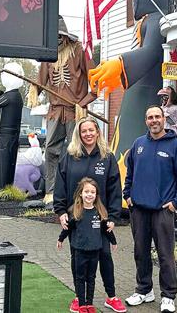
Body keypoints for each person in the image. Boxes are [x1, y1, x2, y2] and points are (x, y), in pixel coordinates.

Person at [124, 105, 177, 313]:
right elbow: (130, 173)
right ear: (146, 121)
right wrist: (127, 195)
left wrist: (175, 203)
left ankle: (168, 296)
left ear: (164, 119)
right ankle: (144, 290)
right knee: (140, 252)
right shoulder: (138, 144)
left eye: (157, 117)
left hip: (163, 210)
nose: (154, 120)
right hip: (139, 210)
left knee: (165, 255)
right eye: (150, 117)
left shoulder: (176, 146)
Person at [54, 117, 125, 313]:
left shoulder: (106, 156)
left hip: (100, 218)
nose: (88, 134)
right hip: (76, 218)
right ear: (79, 133)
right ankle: (79, 298)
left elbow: (114, 187)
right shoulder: (70, 155)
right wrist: (61, 211)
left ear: (98, 132)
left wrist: (112, 216)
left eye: (91, 130)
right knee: (77, 257)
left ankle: (111, 296)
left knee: (105, 256)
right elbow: (60, 183)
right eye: (84, 131)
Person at [28, 16, 96, 205]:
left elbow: (96, 82)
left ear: (66, 36)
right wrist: (34, 89)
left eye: (59, 36)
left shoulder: (79, 50)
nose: (57, 40)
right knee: (50, 149)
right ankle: (50, 191)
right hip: (55, 111)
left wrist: (84, 102)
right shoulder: (49, 55)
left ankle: (81, 193)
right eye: (53, 36)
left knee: (78, 150)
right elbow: (41, 81)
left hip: (76, 111)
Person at [58, 177, 118, 313]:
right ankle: (81, 303)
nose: (89, 194)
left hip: (95, 251)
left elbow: (106, 229)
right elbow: (68, 227)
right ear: (81, 193)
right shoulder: (76, 212)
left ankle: (89, 304)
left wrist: (113, 241)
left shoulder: (99, 213)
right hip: (80, 251)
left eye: (92, 192)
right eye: (86, 192)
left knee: (91, 278)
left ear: (96, 195)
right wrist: (60, 239)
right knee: (80, 278)